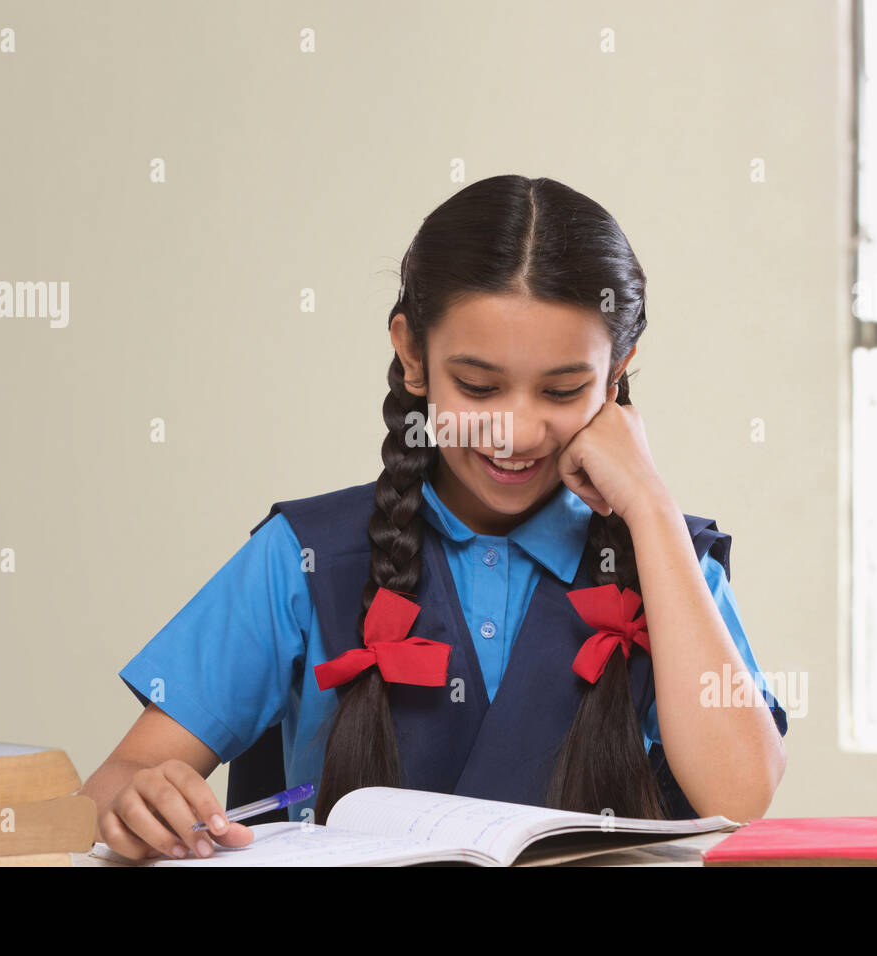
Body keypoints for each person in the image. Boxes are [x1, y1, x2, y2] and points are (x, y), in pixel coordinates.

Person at [79, 174, 788, 861]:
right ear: (413, 356)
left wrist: (651, 505)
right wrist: (139, 799)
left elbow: (742, 793)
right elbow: (112, 784)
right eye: (478, 387)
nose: (514, 431)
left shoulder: (668, 560)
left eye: (563, 390)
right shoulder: (304, 556)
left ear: (618, 372)